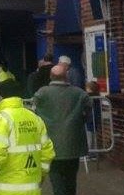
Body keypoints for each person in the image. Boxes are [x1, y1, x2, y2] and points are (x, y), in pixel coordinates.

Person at [0, 79, 55, 195]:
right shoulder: (35, 118)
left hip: (8, 187)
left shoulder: (1, 119)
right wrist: (42, 173)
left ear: (0, 97)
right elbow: (47, 151)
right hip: (32, 186)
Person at [33, 64, 90, 195]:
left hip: (51, 145)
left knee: (56, 180)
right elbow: (87, 110)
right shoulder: (79, 93)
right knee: (71, 179)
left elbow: (33, 110)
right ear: (66, 77)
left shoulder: (42, 93)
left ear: (51, 77)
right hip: (73, 145)